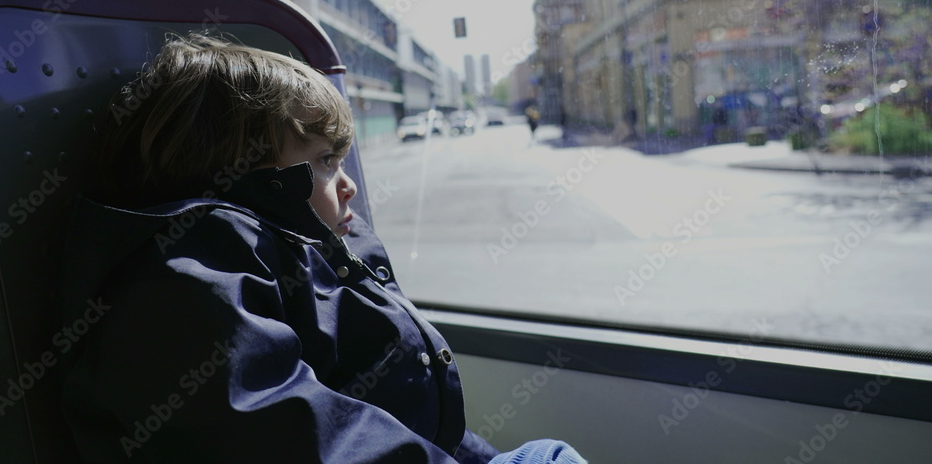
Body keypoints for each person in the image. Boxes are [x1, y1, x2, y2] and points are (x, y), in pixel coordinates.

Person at [59, 32, 586, 463]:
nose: (347, 183)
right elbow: (282, 434)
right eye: (326, 162)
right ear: (241, 169)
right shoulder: (185, 278)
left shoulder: (310, 252)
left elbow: (405, 417)